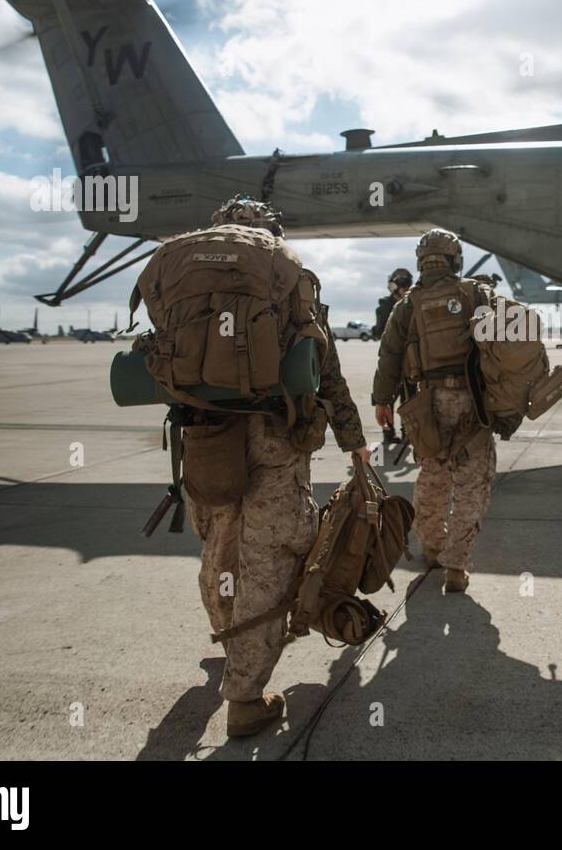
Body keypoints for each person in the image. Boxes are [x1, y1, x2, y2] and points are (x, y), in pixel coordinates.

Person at [185, 197, 369, 738]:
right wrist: (355, 443)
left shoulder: (191, 286)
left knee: (219, 549)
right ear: (273, 236)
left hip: (206, 439)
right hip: (275, 440)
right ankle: (244, 697)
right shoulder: (294, 282)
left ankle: (229, 645)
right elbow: (325, 373)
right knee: (267, 561)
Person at [370, 229, 495, 594]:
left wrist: (382, 401)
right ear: (455, 259)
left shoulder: (407, 304)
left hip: (425, 404)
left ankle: (433, 548)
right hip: (474, 401)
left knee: (431, 476)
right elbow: (506, 345)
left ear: (420, 261)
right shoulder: (476, 293)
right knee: (472, 482)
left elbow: (389, 356)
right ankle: (457, 566)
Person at [372, 267, 413, 339]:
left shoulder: (412, 304)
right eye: (403, 287)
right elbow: (380, 333)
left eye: (408, 287)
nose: (406, 290)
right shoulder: (385, 308)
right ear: (394, 287)